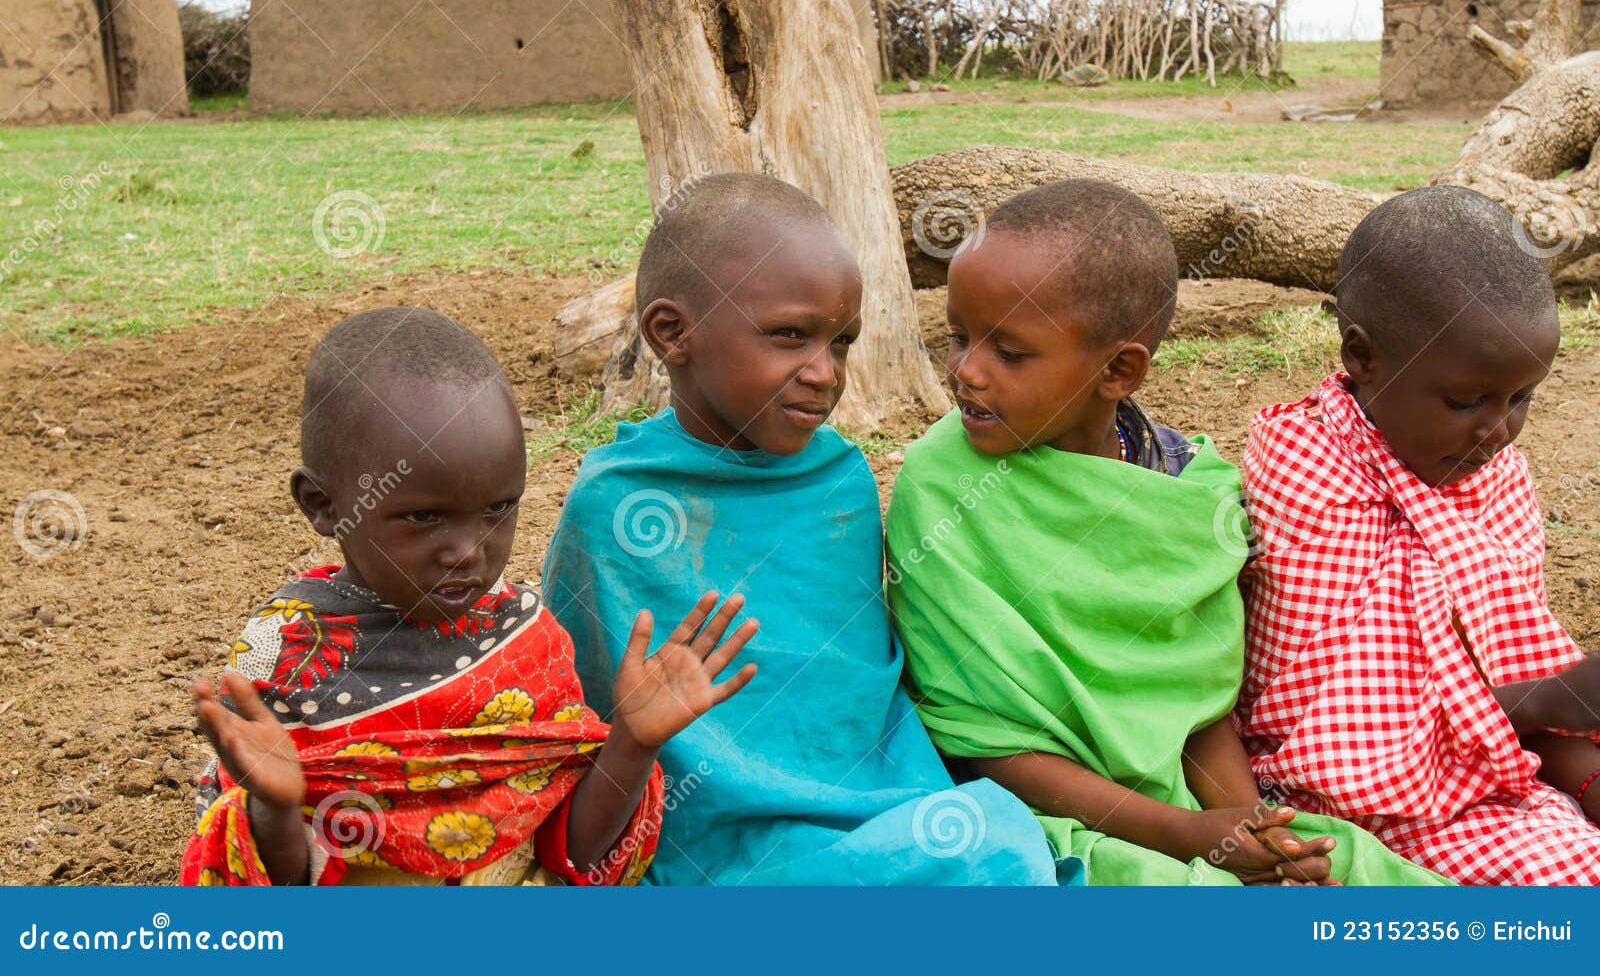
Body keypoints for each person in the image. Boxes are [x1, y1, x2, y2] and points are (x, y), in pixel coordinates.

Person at [887, 178, 1449, 886]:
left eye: (1010, 353)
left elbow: (1195, 705)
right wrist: (1184, 835)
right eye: (960, 337)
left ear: (1119, 370)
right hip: (1043, 827)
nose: (967, 371)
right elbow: (985, 745)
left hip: (1189, 810)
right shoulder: (944, 489)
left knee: (1369, 882)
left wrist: (1254, 833)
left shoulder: (1190, 496)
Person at [544, 172, 1078, 885]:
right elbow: (574, 746)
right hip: (714, 856)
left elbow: (859, 694)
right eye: (789, 336)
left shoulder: (842, 481)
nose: (825, 373)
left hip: (888, 814)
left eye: (842, 342)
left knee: (1000, 836)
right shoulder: (613, 509)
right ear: (671, 333)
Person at [181, 307, 756, 886]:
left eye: (497, 510)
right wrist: (275, 808)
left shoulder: (526, 642)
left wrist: (633, 741)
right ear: (321, 504)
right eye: (424, 516)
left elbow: (572, 855)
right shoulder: (286, 655)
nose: (467, 551)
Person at [1238, 185, 1600, 885]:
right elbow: (1346, 747)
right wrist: (1553, 696)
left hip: (1489, 779)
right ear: (1362, 356)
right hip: (1339, 809)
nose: (1498, 429)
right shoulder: (1303, 475)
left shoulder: (1494, 475)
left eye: (1520, 397)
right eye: (1466, 401)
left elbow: (1501, 650)